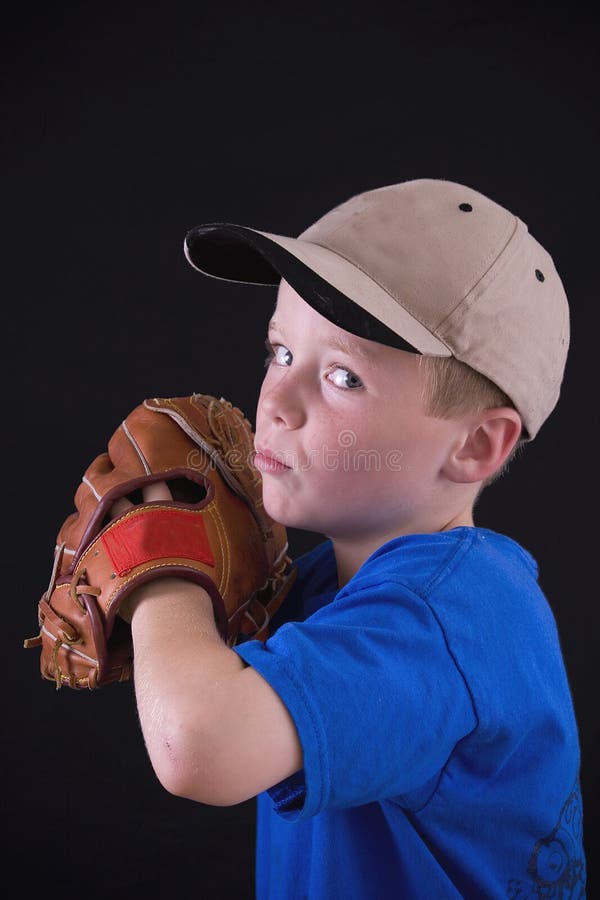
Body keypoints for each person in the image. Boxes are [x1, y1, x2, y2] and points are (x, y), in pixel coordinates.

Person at [119, 179, 586, 898]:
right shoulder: (328, 584)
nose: (275, 402)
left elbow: (197, 748)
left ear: (474, 447)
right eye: (280, 352)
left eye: (342, 376)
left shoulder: (445, 620)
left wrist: (161, 557)